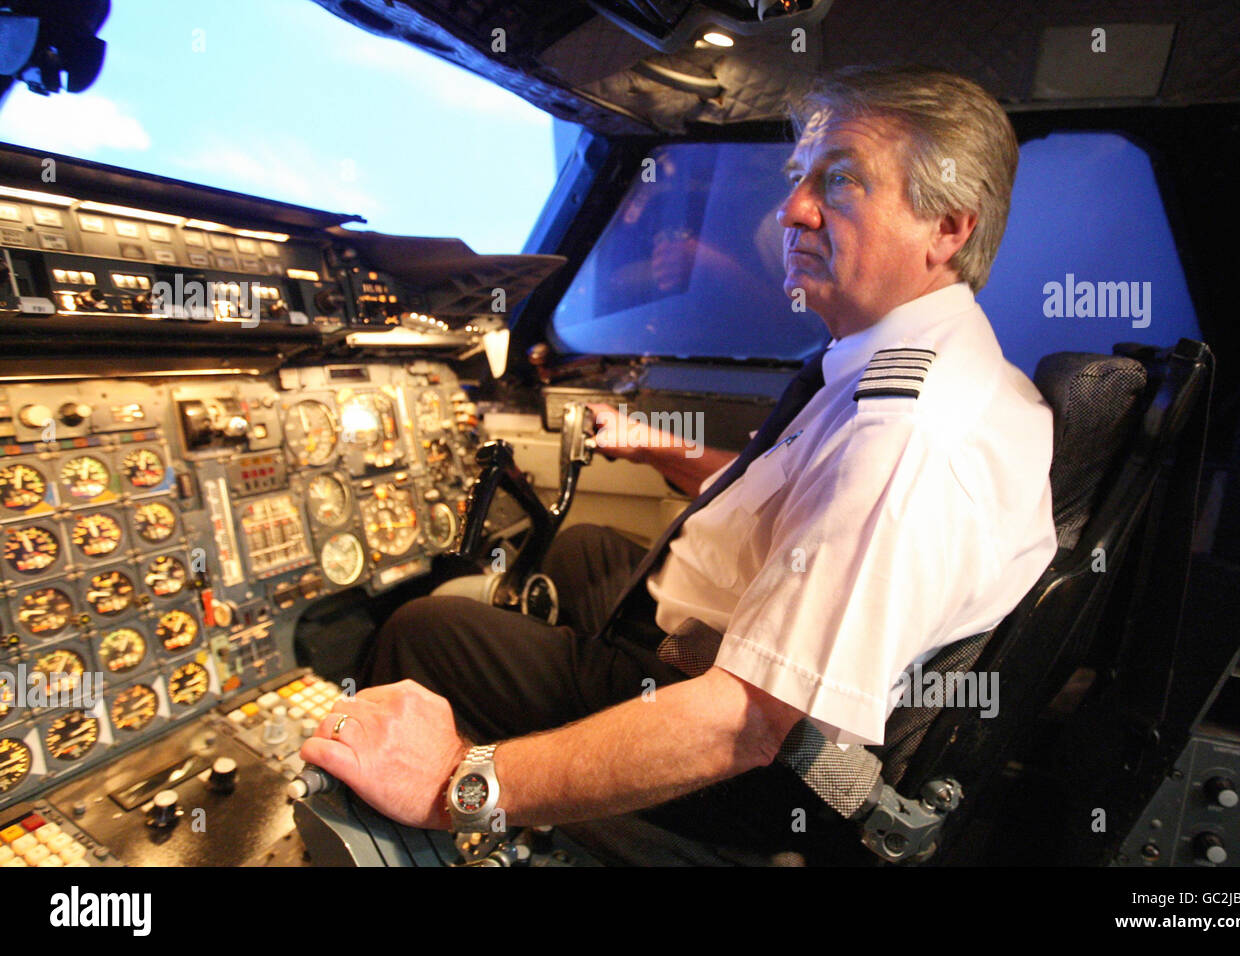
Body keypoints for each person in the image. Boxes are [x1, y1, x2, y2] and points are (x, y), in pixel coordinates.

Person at [300, 66, 1058, 861]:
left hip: (739, 745)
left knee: (426, 630)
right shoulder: (910, 364)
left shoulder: (907, 435)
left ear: (947, 227)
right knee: (583, 546)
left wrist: (465, 778)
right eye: (800, 177)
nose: (792, 209)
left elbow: (746, 725)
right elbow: (787, 494)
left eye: (841, 183)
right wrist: (650, 444)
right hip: (707, 649)